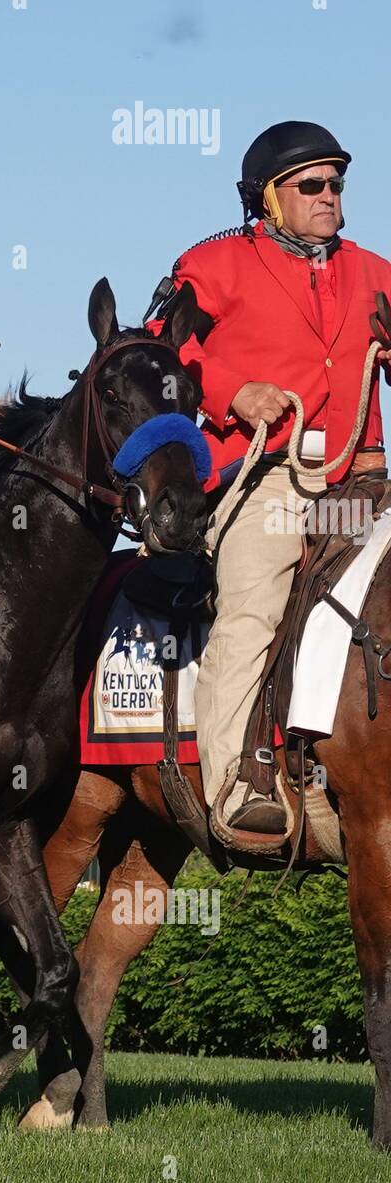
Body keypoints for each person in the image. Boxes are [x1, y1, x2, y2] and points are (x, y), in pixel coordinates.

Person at [149, 121, 391, 847]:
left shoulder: (377, 270)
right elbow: (162, 352)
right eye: (310, 185)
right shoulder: (212, 263)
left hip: (366, 474)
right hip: (268, 476)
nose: (329, 196)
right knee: (254, 606)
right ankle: (237, 784)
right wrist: (230, 391)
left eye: (336, 183)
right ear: (267, 200)